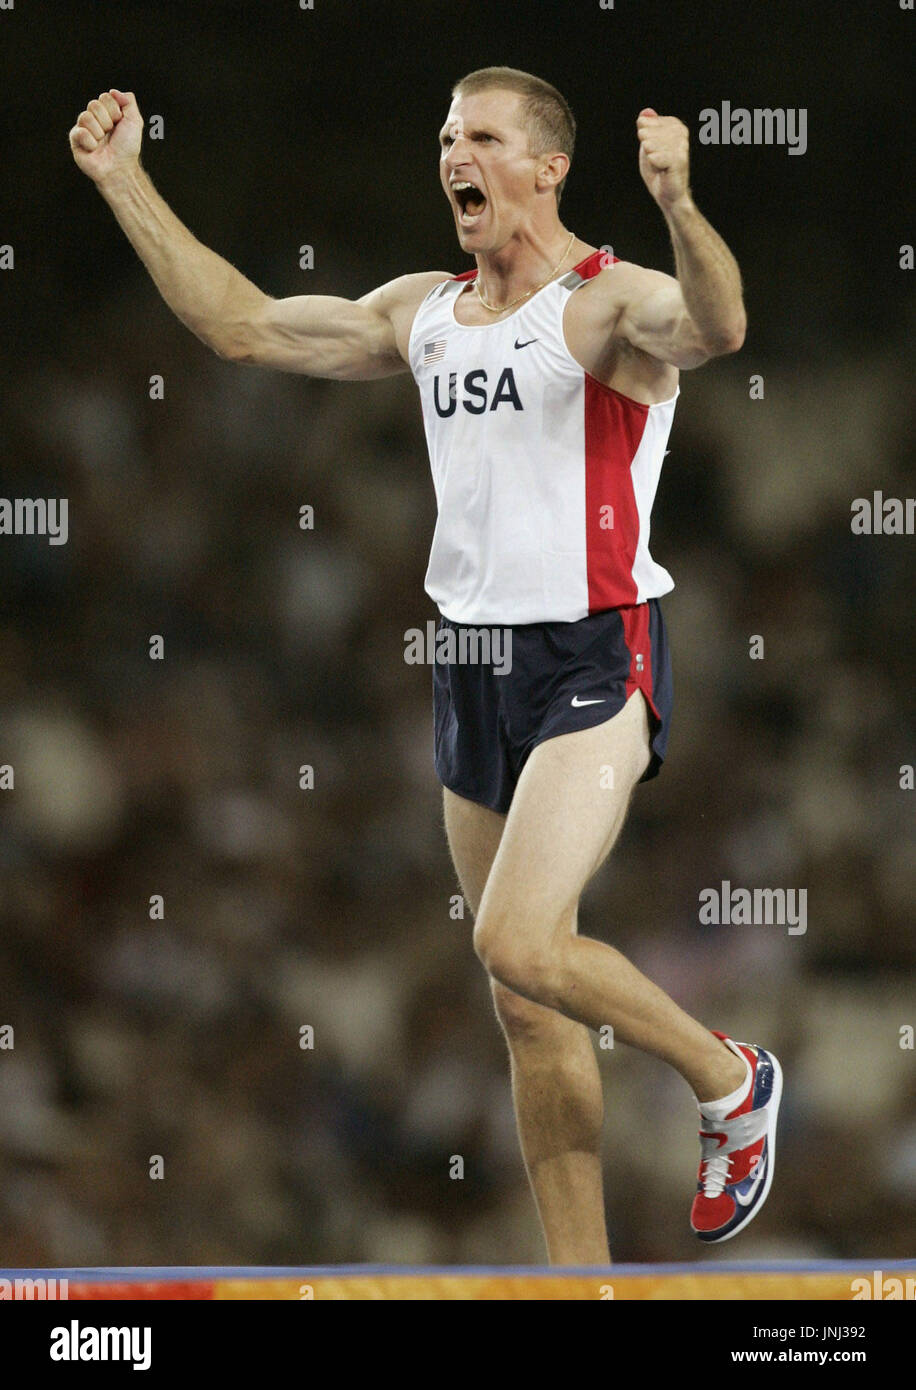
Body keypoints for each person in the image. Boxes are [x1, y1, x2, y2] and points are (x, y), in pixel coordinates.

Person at [69, 66, 781, 1263]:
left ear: (547, 167)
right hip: (470, 665)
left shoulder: (609, 303)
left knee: (515, 939)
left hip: (593, 651)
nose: (456, 152)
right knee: (524, 1003)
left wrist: (677, 203)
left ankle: (730, 1079)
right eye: (447, 134)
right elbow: (239, 323)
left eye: (485, 136)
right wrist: (122, 179)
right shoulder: (423, 312)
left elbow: (718, 328)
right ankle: (581, 1287)